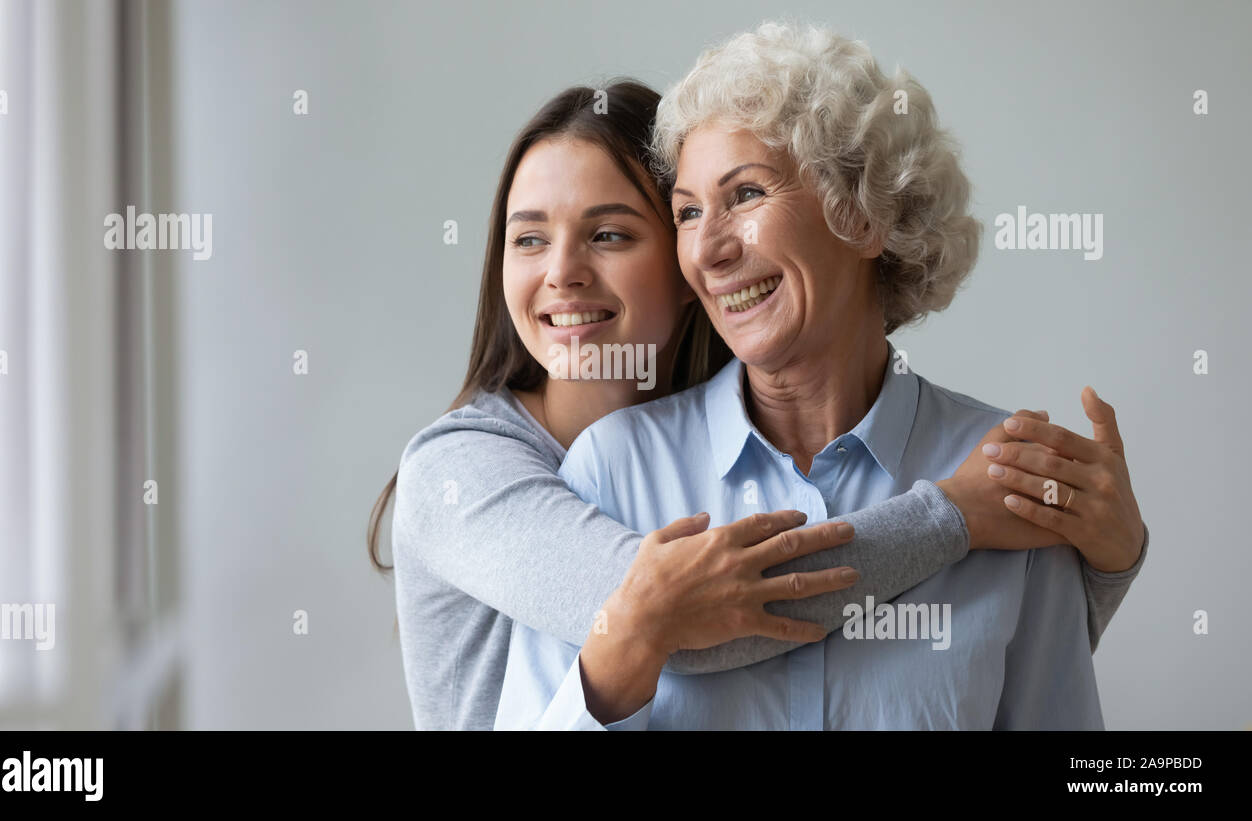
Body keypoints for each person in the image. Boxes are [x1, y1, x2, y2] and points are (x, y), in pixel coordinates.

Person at [377, 79, 1144, 732]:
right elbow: (694, 625)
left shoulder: (991, 460)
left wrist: (1100, 562)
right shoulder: (473, 469)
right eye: (529, 239)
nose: (564, 272)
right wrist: (953, 519)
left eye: (609, 233)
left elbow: (1025, 680)